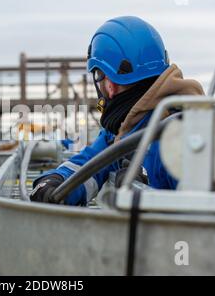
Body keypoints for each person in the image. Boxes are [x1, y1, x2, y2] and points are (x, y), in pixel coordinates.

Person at [30, 16, 204, 205]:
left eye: (98, 76)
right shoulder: (122, 131)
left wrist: (144, 197)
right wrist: (57, 180)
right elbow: (89, 166)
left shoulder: (179, 135)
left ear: (110, 85)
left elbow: (205, 217)